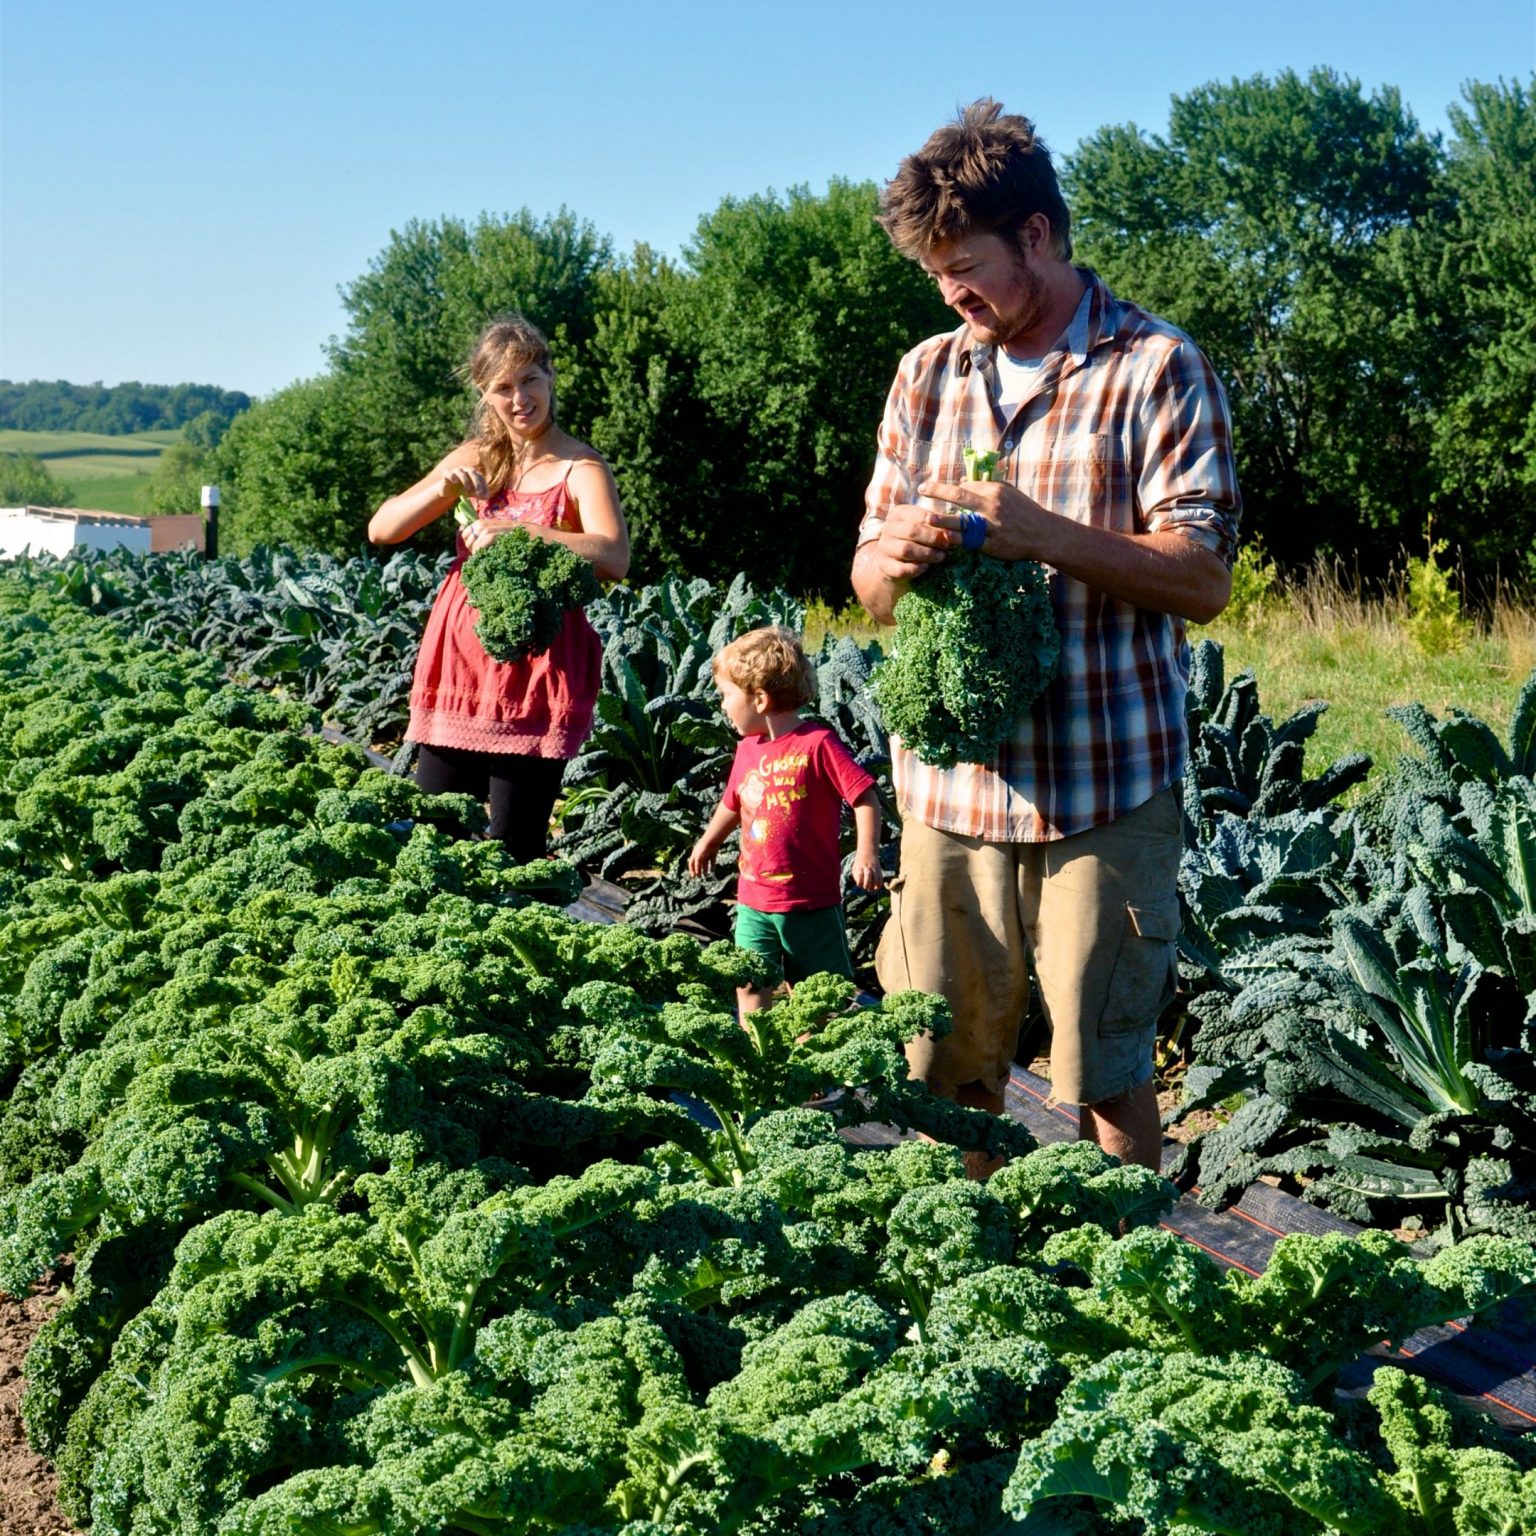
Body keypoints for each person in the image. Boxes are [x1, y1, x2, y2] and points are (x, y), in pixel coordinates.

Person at [851, 100, 1241, 1172]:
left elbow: (1202, 579)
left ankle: (1120, 1297)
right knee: (948, 1066)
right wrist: (899, 559)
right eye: (933, 274)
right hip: (948, 797)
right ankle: (970, 1276)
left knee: (1106, 1075)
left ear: (1035, 235)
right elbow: (866, 580)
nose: (950, 294)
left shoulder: (1157, 366)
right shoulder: (926, 374)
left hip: (1103, 789)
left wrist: (1041, 535)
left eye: (964, 264)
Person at [368, 316, 630, 864]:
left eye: (530, 380)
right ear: (484, 394)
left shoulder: (580, 467)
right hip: (460, 667)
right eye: (503, 388)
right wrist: (441, 488)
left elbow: (613, 556)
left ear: (551, 377)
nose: (519, 399)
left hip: (538, 674)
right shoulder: (474, 458)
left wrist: (527, 531)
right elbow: (383, 529)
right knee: (435, 838)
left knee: (515, 848)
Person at [688, 626, 884, 1017]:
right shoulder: (746, 749)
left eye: (727, 696)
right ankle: (756, 1055)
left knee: (816, 997)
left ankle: (815, 1067)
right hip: (753, 900)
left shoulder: (817, 744)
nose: (723, 706)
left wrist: (867, 854)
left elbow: (865, 798)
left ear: (758, 698)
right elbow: (733, 802)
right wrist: (708, 841)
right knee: (748, 982)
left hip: (809, 903)